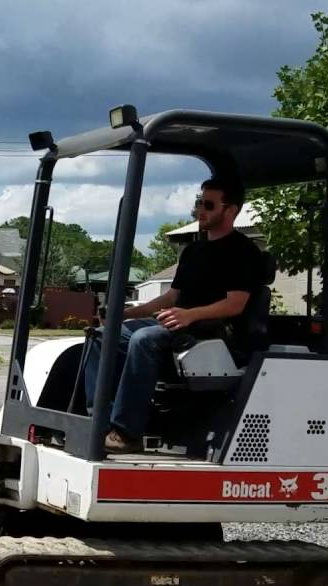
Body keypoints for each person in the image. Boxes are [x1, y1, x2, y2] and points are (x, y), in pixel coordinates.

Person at [83, 176, 265, 453]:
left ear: (231, 210)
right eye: (198, 203)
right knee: (102, 335)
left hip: (216, 333)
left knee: (145, 339)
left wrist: (190, 315)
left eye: (208, 204)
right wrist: (126, 313)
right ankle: (98, 421)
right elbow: (171, 297)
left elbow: (235, 304)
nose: (199, 210)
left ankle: (127, 433)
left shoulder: (244, 252)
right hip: (180, 324)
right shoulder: (193, 251)